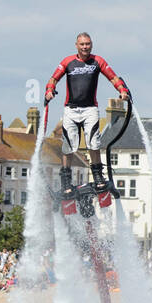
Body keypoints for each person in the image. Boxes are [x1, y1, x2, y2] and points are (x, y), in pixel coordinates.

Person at [45, 32, 130, 188]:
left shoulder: (98, 61)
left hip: (90, 108)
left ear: (91, 45)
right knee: (68, 145)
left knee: (93, 143)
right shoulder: (68, 62)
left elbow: (113, 77)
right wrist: (50, 90)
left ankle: (98, 177)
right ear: (76, 45)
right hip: (70, 109)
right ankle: (66, 181)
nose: (85, 47)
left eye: (88, 44)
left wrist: (122, 90)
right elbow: (54, 78)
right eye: (82, 44)